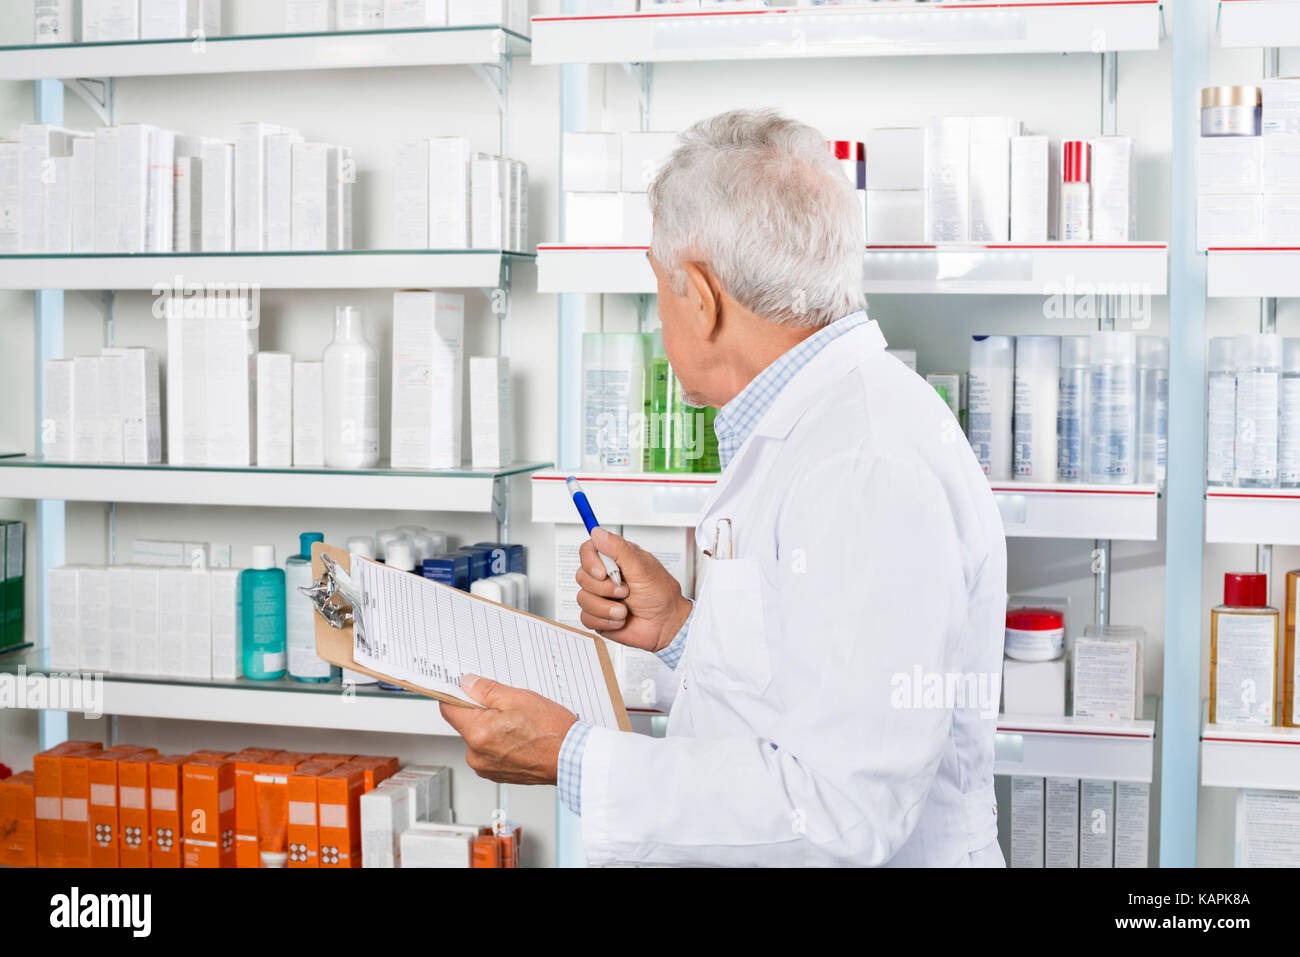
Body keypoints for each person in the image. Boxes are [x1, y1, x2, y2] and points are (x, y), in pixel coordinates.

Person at [440, 108, 1007, 866]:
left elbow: (842, 810)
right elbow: (807, 673)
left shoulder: (865, 463)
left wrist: (572, 757)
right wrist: (679, 626)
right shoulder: (812, 427)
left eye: (659, 292)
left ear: (701, 298)